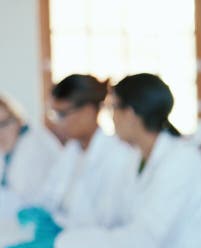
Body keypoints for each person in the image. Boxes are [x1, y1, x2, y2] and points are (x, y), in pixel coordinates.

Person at [2, 73, 201, 248]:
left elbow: (143, 239)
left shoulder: (181, 162)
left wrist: (61, 241)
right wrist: (62, 230)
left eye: (113, 109)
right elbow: (114, 221)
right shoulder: (136, 159)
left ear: (131, 114)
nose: (110, 119)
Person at [36, 74, 139, 229]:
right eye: (54, 114)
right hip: (70, 245)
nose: (57, 122)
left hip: (97, 247)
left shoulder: (118, 155)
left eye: (62, 114)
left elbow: (108, 219)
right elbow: (49, 197)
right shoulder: (70, 152)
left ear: (88, 111)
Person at [0, 94, 61, 218]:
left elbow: (28, 200)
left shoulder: (34, 146)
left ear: (17, 120)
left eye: (3, 124)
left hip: (49, 222)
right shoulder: (9, 150)